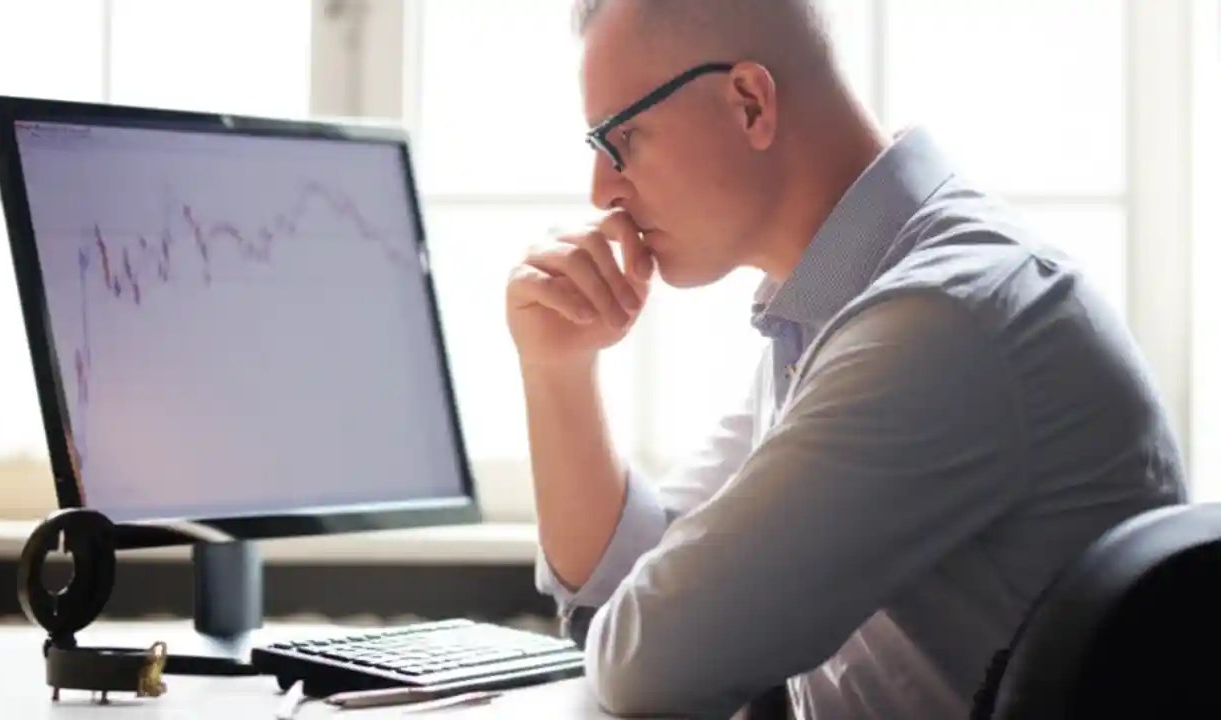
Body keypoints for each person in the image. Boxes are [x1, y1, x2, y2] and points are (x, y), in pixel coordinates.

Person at [503, 1, 1187, 718]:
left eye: (623, 139)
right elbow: (625, 582)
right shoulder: (845, 308)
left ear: (748, 103)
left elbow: (649, 666)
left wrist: (640, 623)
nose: (601, 191)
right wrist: (558, 370)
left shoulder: (939, 325)